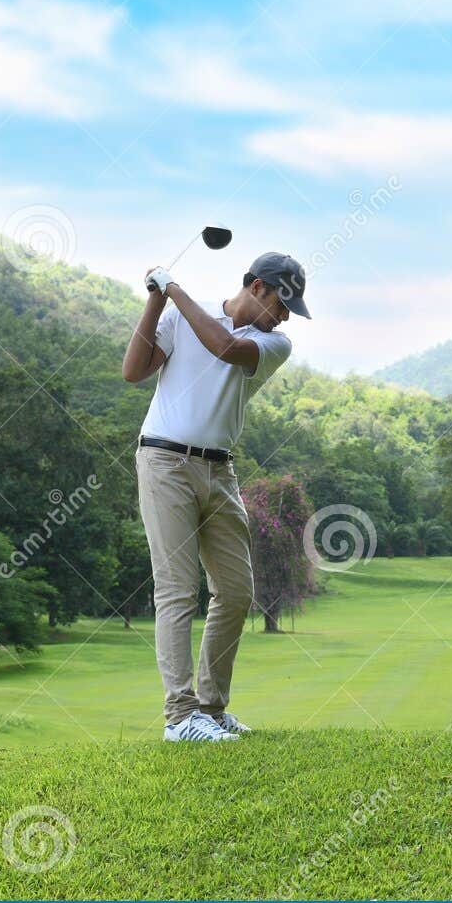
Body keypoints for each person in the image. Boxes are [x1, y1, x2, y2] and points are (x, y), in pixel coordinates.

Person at [120, 251, 309, 742]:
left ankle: (209, 706)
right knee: (177, 589)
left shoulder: (274, 343)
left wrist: (174, 290)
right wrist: (155, 300)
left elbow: (224, 347)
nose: (287, 316)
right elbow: (134, 370)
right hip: (164, 462)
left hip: (220, 471)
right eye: (284, 303)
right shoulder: (185, 314)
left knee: (236, 590)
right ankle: (181, 717)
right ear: (257, 286)